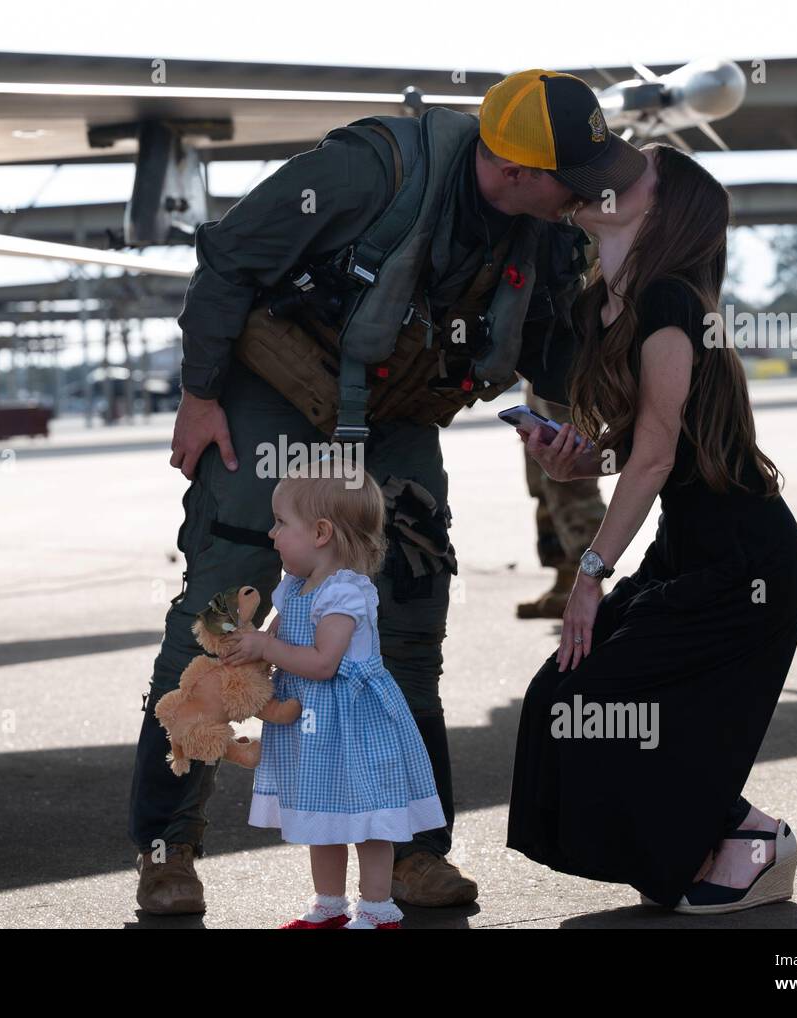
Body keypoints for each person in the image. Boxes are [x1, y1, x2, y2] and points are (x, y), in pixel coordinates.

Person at [128, 67, 648, 915]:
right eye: (573, 181)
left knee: (406, 633)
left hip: (395, 419)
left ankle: (412, 852)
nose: (586, 197)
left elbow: (552, 351)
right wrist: (199, 393)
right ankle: (167, 850)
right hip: (275, 398)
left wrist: (586, 418)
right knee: (221, 622)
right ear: (514, 169)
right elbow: (228, 258)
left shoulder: (545, 232)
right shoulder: (371, 172)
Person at [505, 142, 797, 914]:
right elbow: (640, 447)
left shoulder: (675, 301)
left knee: (608, 706)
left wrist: (588, 576)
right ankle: (726, 836)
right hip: (689, 552)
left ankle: (752, 835)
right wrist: (579, 462)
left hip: (748, 560)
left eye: (635, 170)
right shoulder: (599, 307)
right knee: (564, 699)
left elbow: (654, 459)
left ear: (662, 206)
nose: (610, 175)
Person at [218, 464, 445, 929]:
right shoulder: (296, 588)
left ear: (320, 532)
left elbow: (324, 662)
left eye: (281, 522)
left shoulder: (344, 593)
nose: (272, 532)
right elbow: (275, 638)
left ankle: (378, 909)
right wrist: (249, 650)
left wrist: (268, 647)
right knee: (323, 816)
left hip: (353, 724)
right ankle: (328, 904)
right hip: (313, 728)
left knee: (366, 819)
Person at [515, 378, 608, 619]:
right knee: (542, 475)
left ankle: (590, 586)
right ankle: (566, 579)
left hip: (570, 364)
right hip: (537, 365)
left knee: (573, 473)